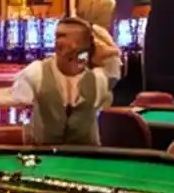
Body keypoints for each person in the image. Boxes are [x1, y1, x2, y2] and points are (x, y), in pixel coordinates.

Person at [12, 17, 122, 146]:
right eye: (57, 36)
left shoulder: (99, 78)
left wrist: (97, 44)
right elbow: (15, 100)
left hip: (87, 154)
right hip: (45, 153)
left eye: (63, 36)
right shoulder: (36, 72)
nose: (57, 41)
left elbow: (113, 57)